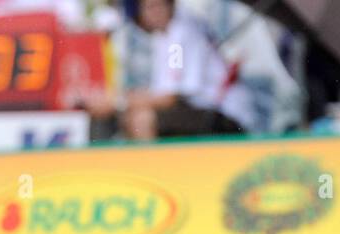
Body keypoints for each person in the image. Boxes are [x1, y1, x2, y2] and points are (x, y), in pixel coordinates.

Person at [87, 0, 253, 139]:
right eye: (149, 7)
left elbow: (170, 97)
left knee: (142, 119)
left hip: (224, 115)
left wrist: (117, 102)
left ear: (171, 5)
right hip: (203, 111)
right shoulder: (165, 36)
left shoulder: (180, 36)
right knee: (131, 116)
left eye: (159, 5)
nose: (155, 12)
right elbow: (161, 92)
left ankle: (152, 173)